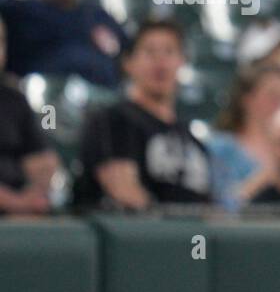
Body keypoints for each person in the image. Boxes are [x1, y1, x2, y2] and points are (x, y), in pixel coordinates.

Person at [76, 19, 212, 210]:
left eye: (169, 51)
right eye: (149, 52)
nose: (160, 61)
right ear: (128, 63)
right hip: (142, 237)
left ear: (182, 61)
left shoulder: (192, 140)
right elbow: (123, 192)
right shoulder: (112, 120)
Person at [206, 62, 280, 210]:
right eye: (273, 96)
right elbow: (217, 206)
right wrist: (264, 178)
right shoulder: (220, 148)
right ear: (247, 100)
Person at [0, 15, 57, 216]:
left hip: (19, 213)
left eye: (1, 40)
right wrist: (16, 202)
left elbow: (42, 159)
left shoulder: (15, 99)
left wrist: (35, 195)